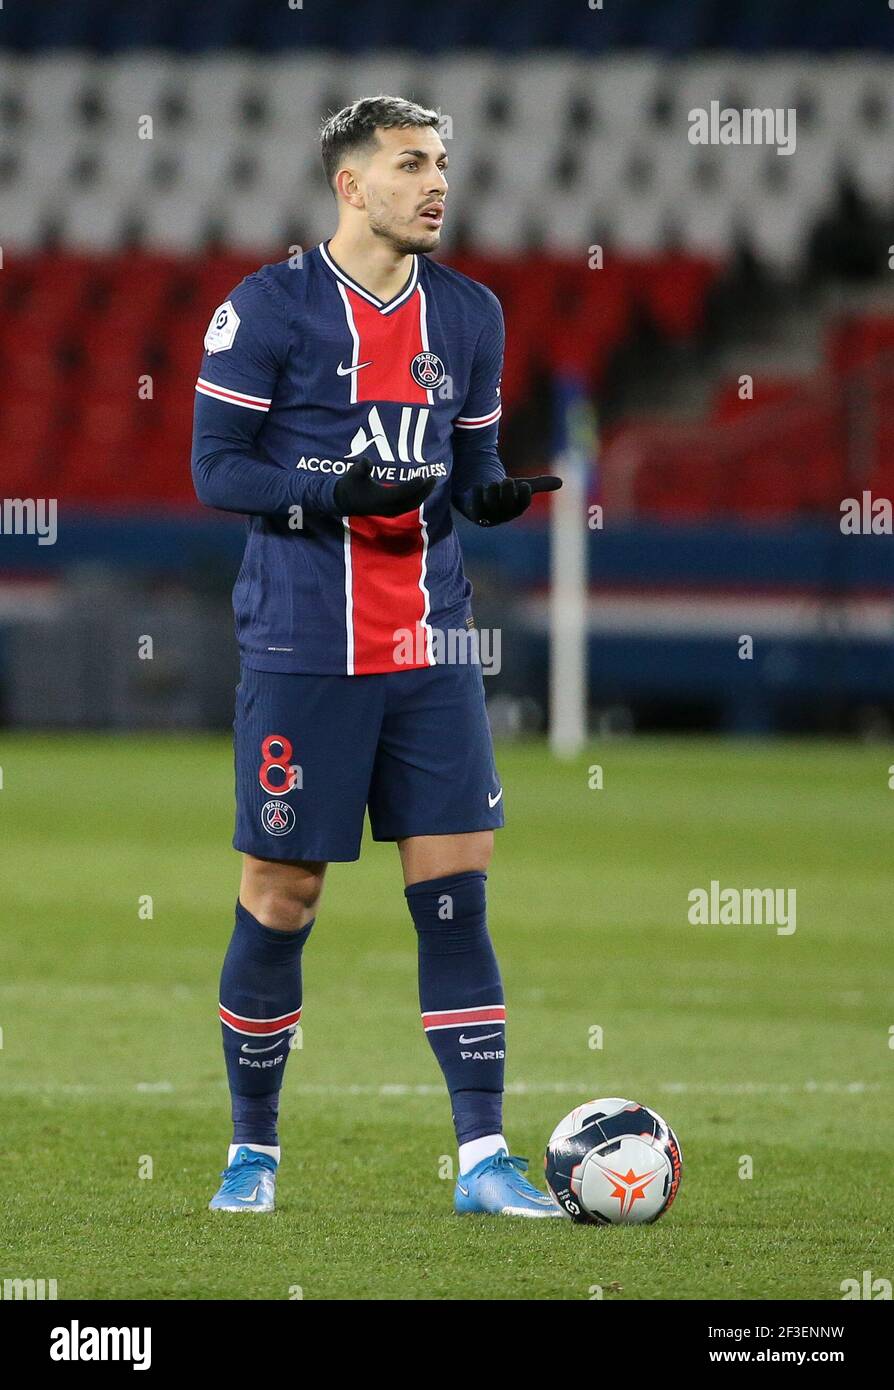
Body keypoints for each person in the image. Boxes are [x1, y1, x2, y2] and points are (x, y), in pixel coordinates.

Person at [191, 94, 562, 1216]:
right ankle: (253, 1154)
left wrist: (486, 496)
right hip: (306, 642)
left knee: (456, 901)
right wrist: (325, 493)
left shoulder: (473, 314)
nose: (436, 183)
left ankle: (483, 1159)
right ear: (351, 185)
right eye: (410, 164)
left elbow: (467, 464)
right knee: (284, 895)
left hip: (431, 641)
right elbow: (217, 467)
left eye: (442, 162)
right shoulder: (268, 309)